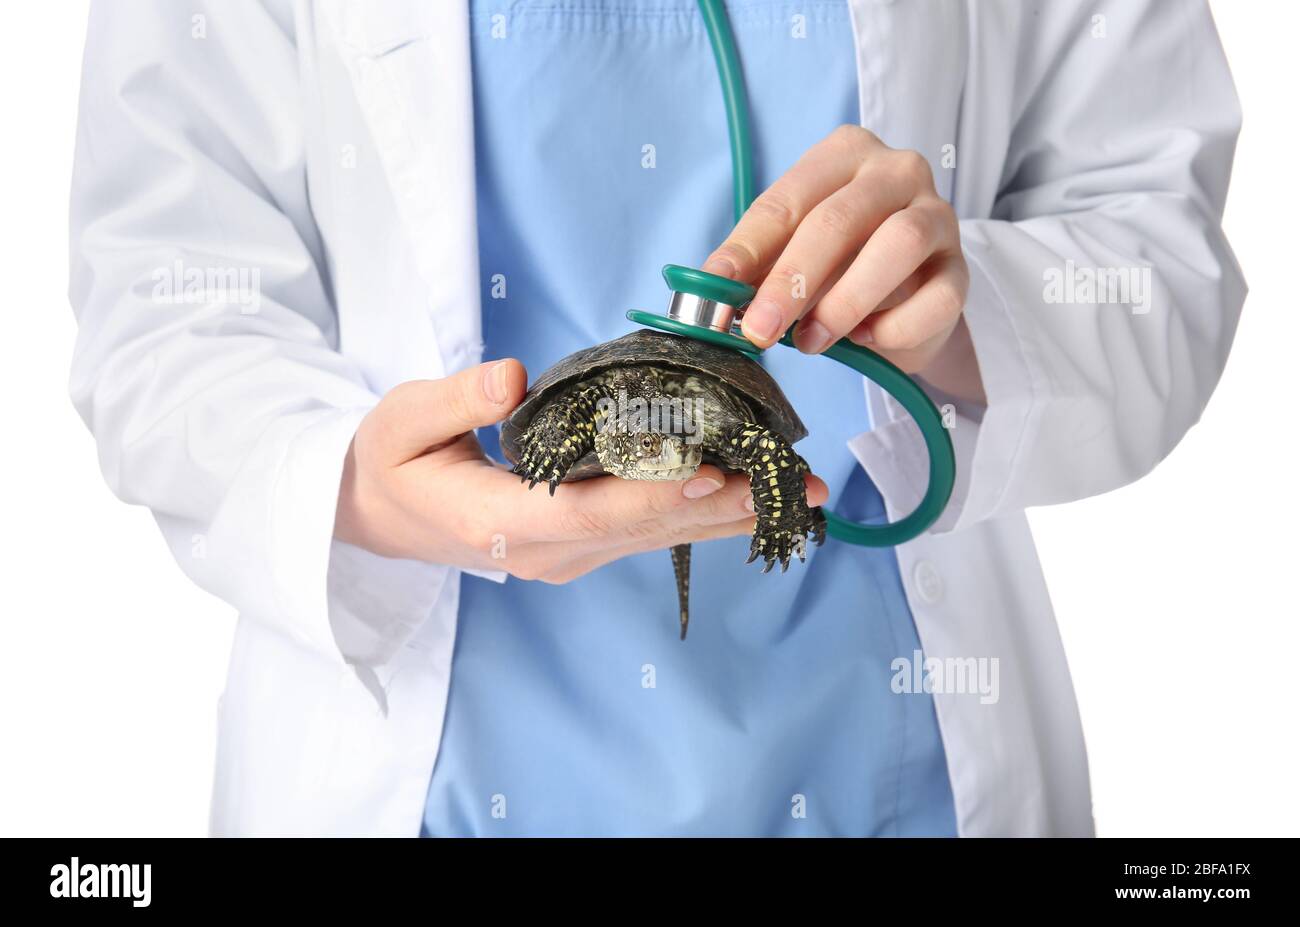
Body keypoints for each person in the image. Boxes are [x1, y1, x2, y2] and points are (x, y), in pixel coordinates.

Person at [69, 0, 1244, 836]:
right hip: (430, 780)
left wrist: (955, 309)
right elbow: (167, 295)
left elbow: (1159, 261)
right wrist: (357, 489)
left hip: (892, 775)